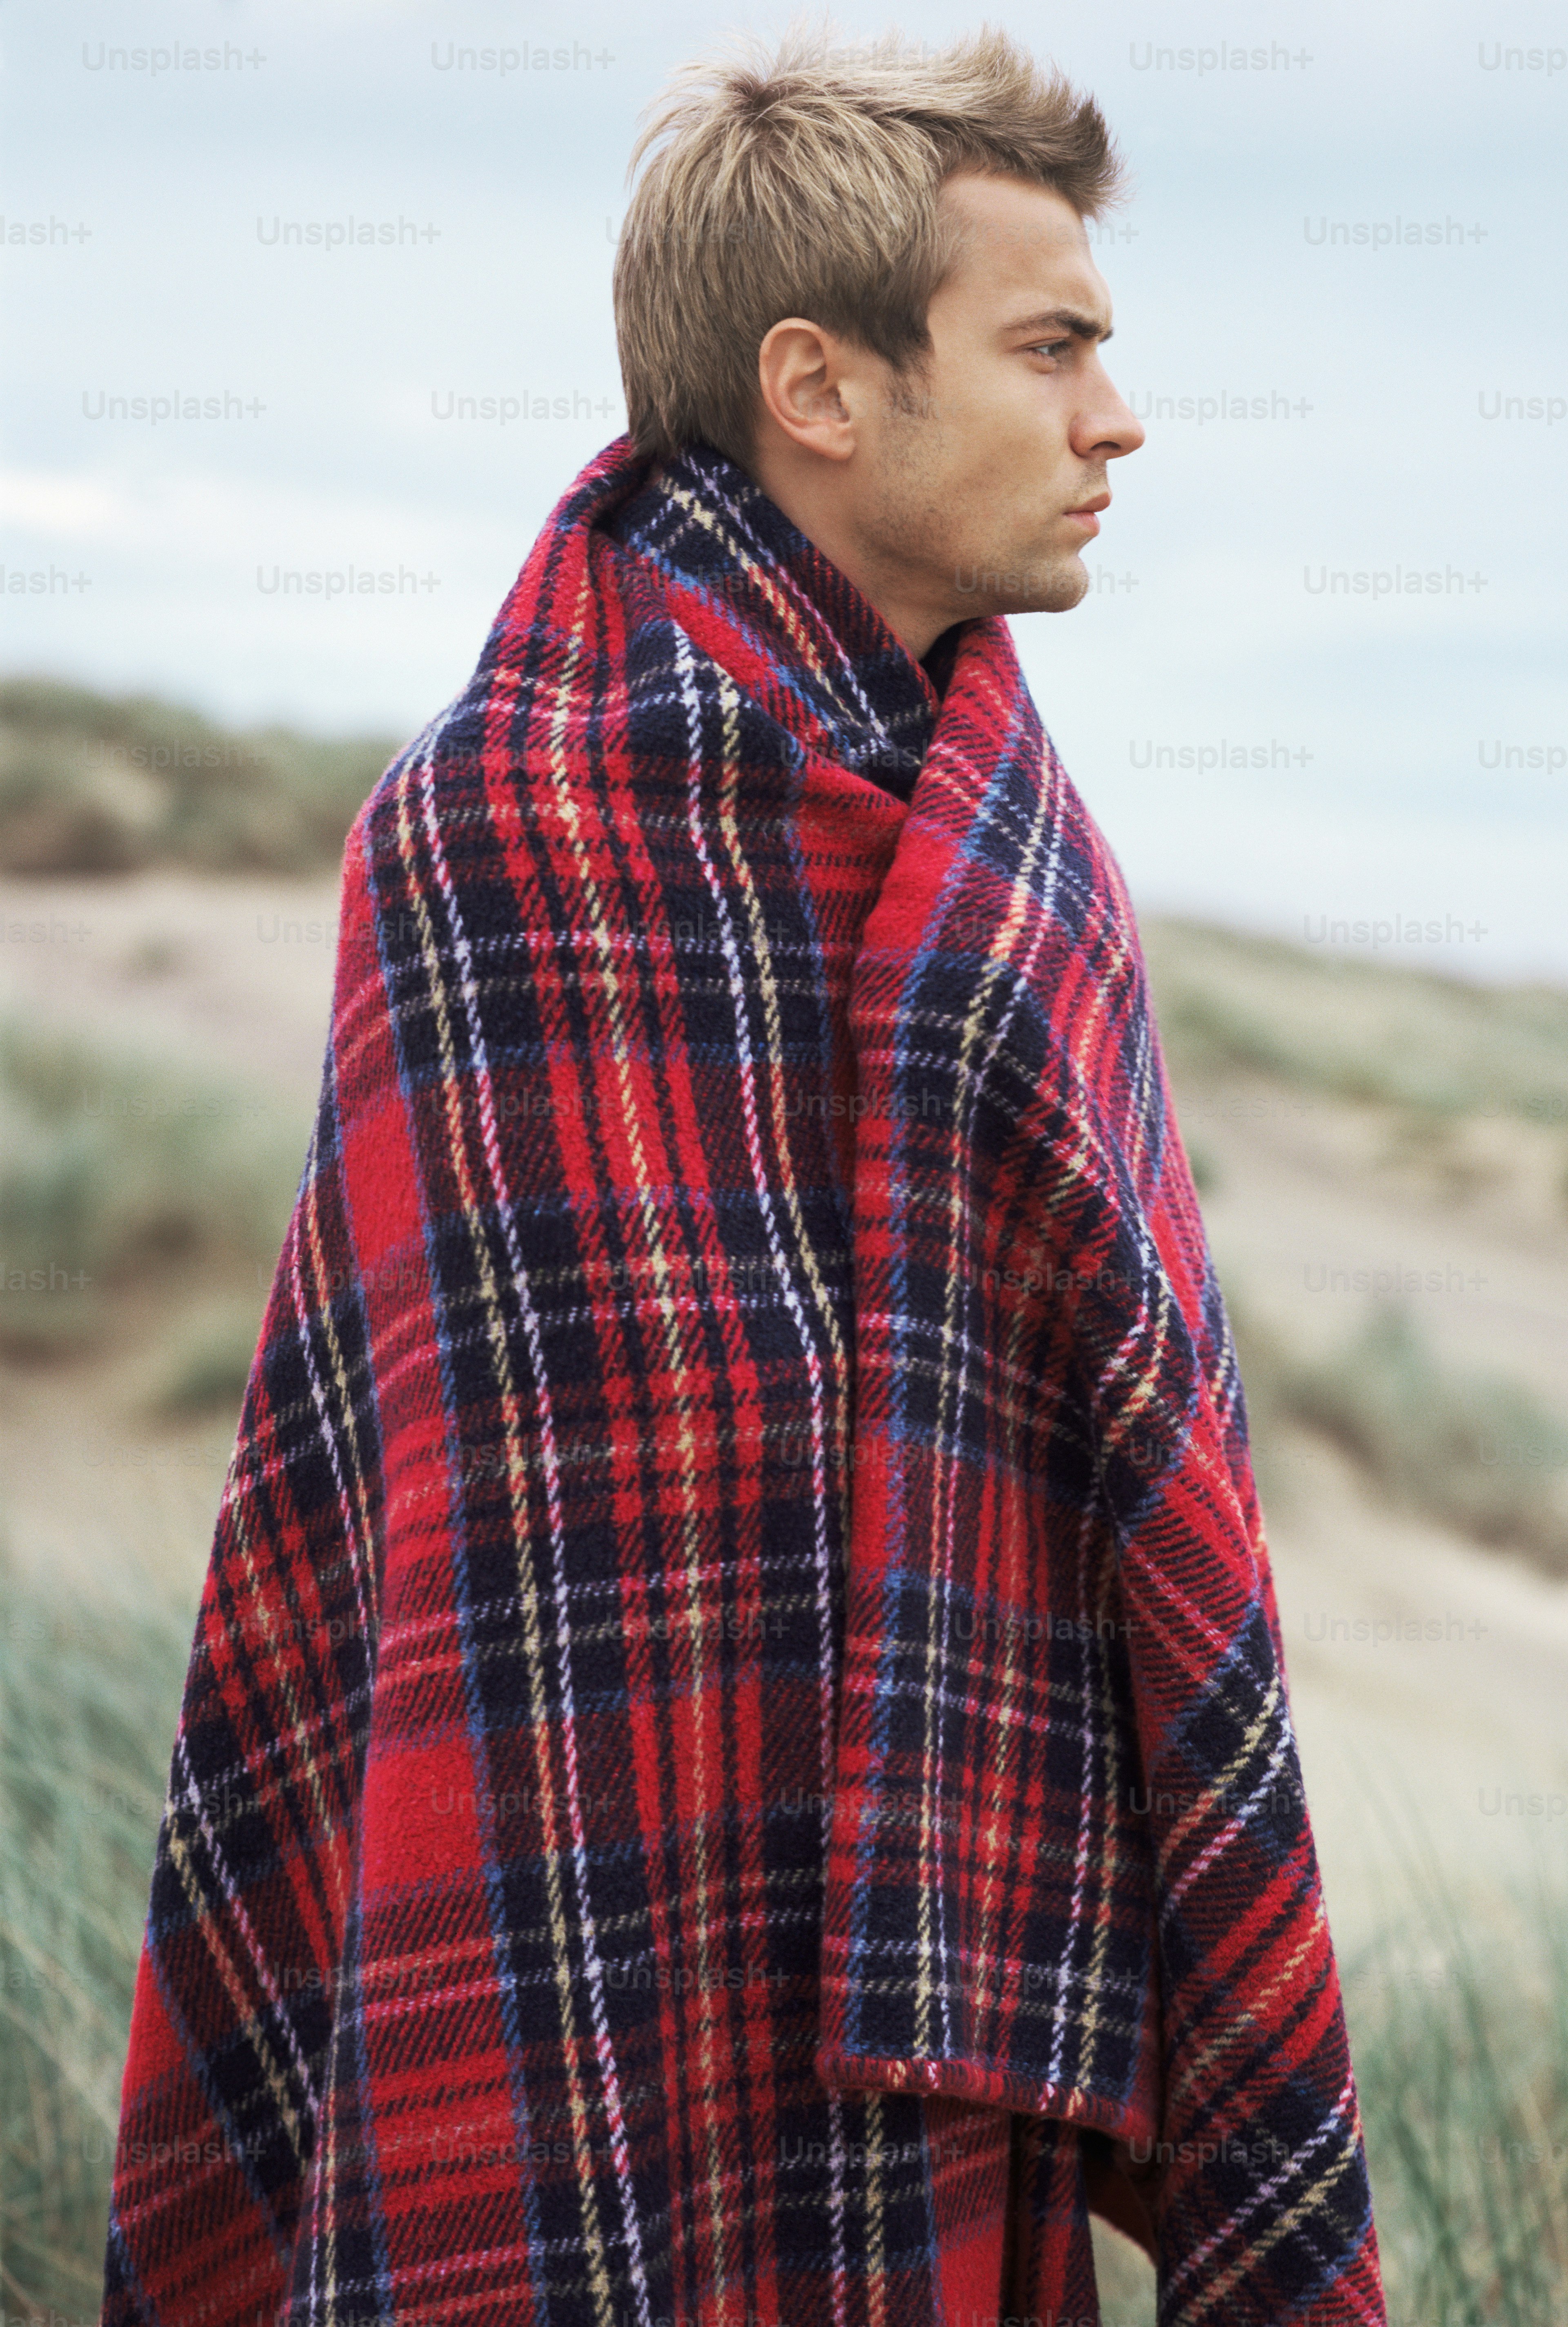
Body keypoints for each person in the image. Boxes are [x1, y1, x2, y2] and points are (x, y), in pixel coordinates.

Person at [102, 28, 1386, 2326]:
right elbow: (440, 1532)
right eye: (1054, 344)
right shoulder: (490, 841)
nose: (1119, 417)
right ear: (822, 383)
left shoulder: (1022, 849)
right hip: (572, 1940)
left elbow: (1139, 1454)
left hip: (965, 1983)